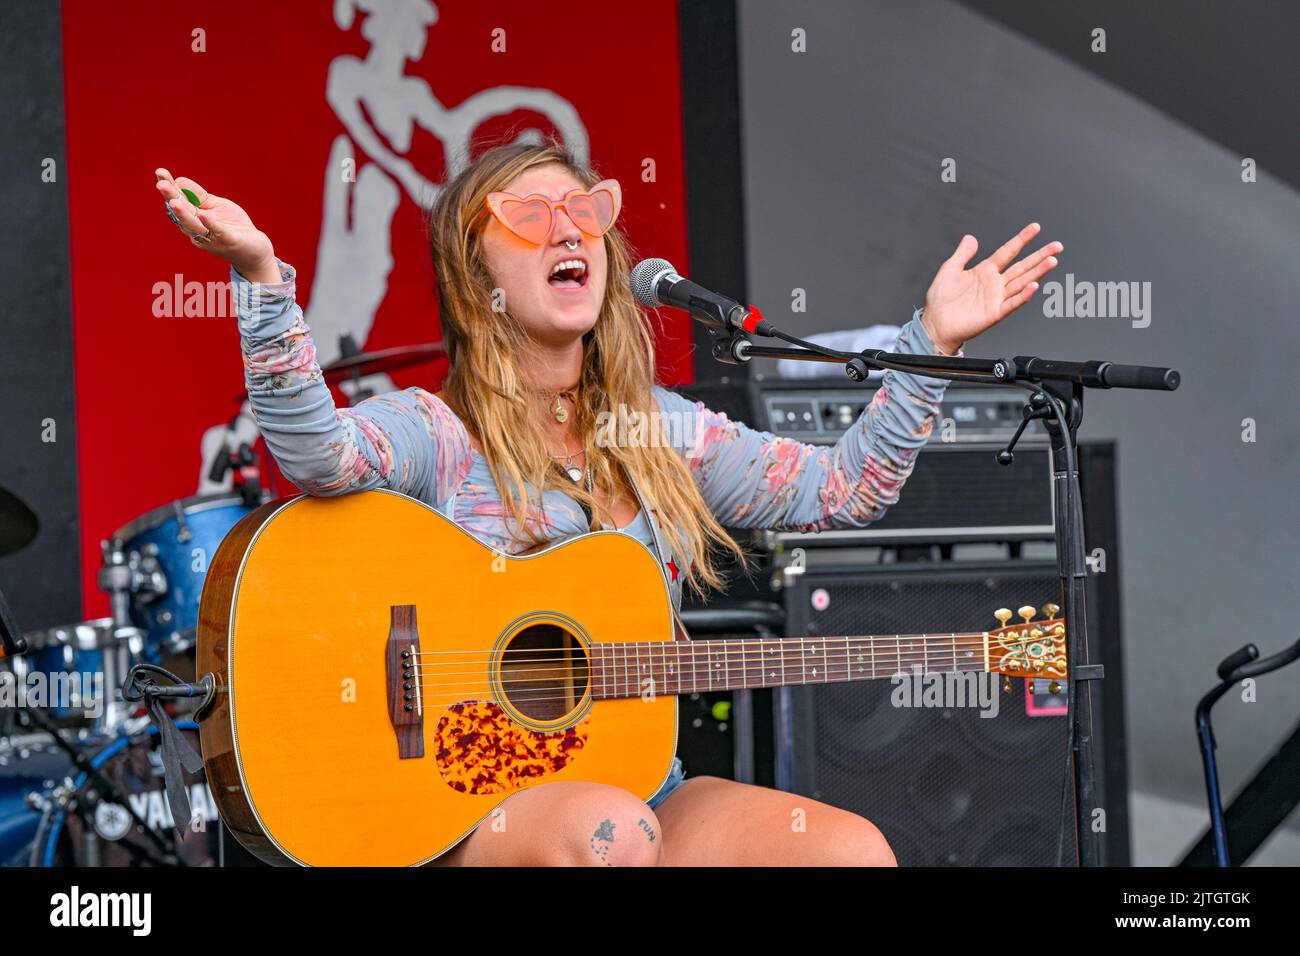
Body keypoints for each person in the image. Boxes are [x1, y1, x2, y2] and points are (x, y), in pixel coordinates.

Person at [153, 140, 1062, 866]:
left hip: (642, 798)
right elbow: (317, 453)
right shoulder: (440, 431)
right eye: (530, 216)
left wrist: (930, 342)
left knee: (850, 852)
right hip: (466, 817)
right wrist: (264, 282)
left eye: (584, 212)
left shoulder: (657, 432)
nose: (568, 231)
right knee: (614, 834)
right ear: (477, 277)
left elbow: (845, 489)